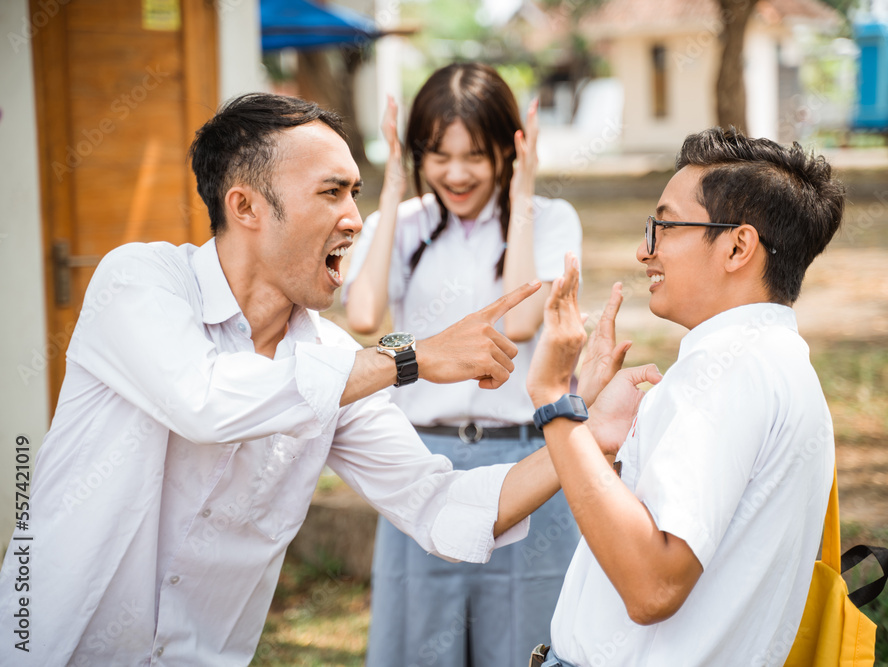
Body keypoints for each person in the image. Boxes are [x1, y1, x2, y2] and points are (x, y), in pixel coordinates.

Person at [0, 92, 618, 666]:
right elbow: (208, 401)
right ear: (245, 206)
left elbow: (443, 505)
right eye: (331, 192)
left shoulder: (331, 359)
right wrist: (412, 358)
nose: (354, 217)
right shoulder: (139, 282)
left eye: (355, 193)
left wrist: (574, 419)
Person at [524, 128, 846, 666]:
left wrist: (554, 402)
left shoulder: (727, 371)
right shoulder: (777, 361)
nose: (644, 250)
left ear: (738, 246)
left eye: (665, 225)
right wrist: (592, 438)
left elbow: (653, 586)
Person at [343, 63, 589, 666]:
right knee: (420, 649)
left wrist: (522, 193)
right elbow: (365, 313)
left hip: (530, 462)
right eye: (438, 155)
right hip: (422, 464)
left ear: (510, 149)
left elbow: (523, 323)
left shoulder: (551, 218)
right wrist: (395, 191)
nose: (456, 174)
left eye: (476, 155)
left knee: (530, 642)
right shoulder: (398, 225)